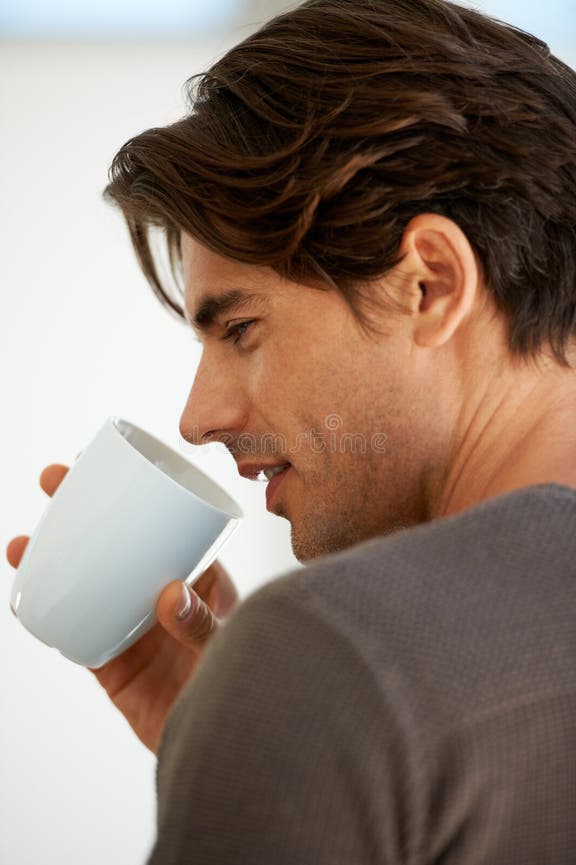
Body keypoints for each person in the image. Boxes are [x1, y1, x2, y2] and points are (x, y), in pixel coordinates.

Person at [7, 0, 576, 860]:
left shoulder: (331, 662)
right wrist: (241, 751)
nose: (199, 419)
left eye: (240, 329)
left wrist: (283, 714)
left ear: (429, 284)